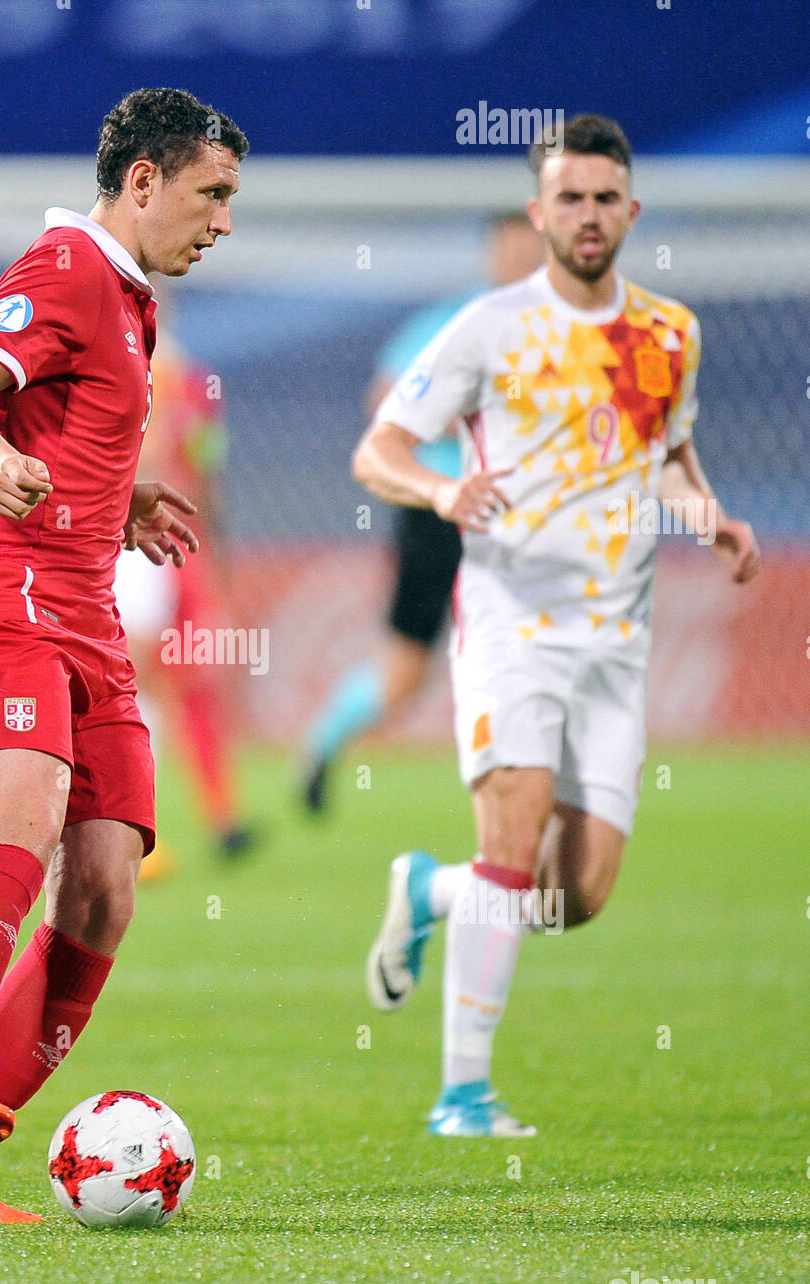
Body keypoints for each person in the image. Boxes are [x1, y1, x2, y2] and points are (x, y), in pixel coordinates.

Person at [0, 88, 247, 1221]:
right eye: (211, 193)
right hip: (1, 592)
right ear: (144, 181)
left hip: (84, 603)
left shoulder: (130, 301)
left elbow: (59, 420)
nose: (224, 221)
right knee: (25, 817)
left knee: (103, 891)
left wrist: (114, 496)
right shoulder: (70, 265)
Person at [351, 114, 759, 1138]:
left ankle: (429, 889)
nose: (585, 215)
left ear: (630, 210)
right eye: (566, 198)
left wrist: (707, 516)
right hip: (510, 623)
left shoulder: (670, 334)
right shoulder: (491, 326)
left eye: (602, 197)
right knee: (513, 830)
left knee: (577, 892)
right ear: (541, 214)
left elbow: (663, 452)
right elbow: (380, 449)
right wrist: (441, 497)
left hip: (617, 646)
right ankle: (463, 1095)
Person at [302, 214, 542, 812]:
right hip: (439, 510)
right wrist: (457, 414)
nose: (520, 259)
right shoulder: (450, 323)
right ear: (492, 253)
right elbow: (383, 399)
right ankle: (324, 742)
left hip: (523, 514)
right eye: (510, 248)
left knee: (524, 654)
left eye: (531, 248)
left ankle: (528, 788)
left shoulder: (556, 332)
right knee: (406, 674)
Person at [114, 317, 255, 871]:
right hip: (128, 546)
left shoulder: (193, 384)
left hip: (180, 549)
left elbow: (206, 473)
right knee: (125, 677)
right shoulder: (100, 373)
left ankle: (221, 818)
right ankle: (125, 826)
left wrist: (215, 564)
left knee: (193, 680)